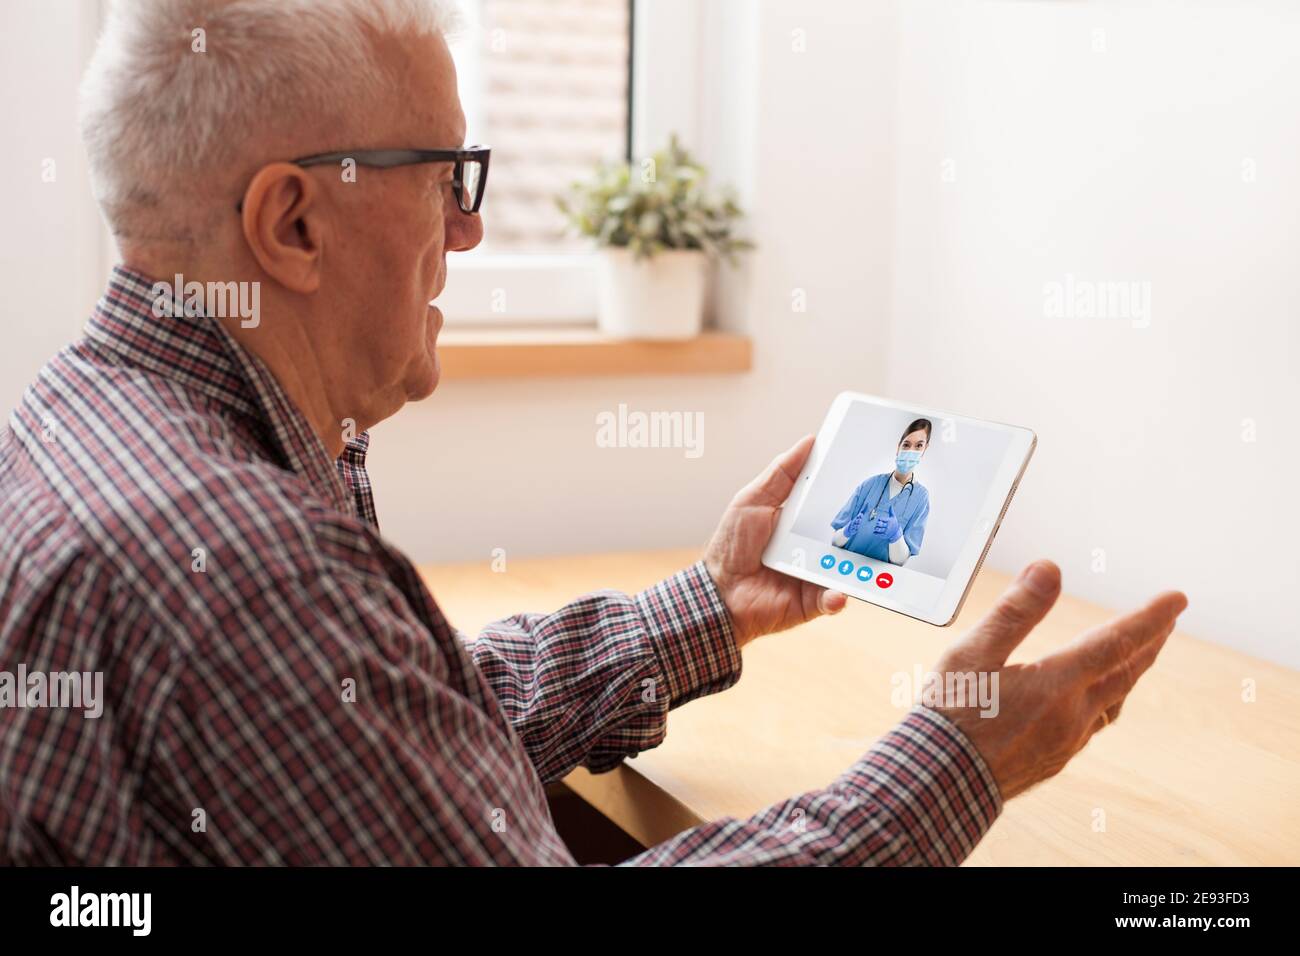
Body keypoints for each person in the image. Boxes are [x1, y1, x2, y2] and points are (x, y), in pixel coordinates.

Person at [0, 0, 1187, 865]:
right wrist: (959, 757)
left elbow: (400, 733)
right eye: (445, 177)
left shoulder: (84, 420)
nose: (466, 234)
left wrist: (705, 606)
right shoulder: (249, 572)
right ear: (292, 224)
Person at [831, 418, 932, 563]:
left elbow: (901, 561)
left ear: (924, 450)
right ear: (898, 448)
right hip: (844, 566)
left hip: (878, 580)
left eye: (918, 446)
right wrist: (847, 532)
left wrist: (896, 536)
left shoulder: (920, 498)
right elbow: (835, 541)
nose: (910, 451)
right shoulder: (870, 485)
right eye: (906, 445)